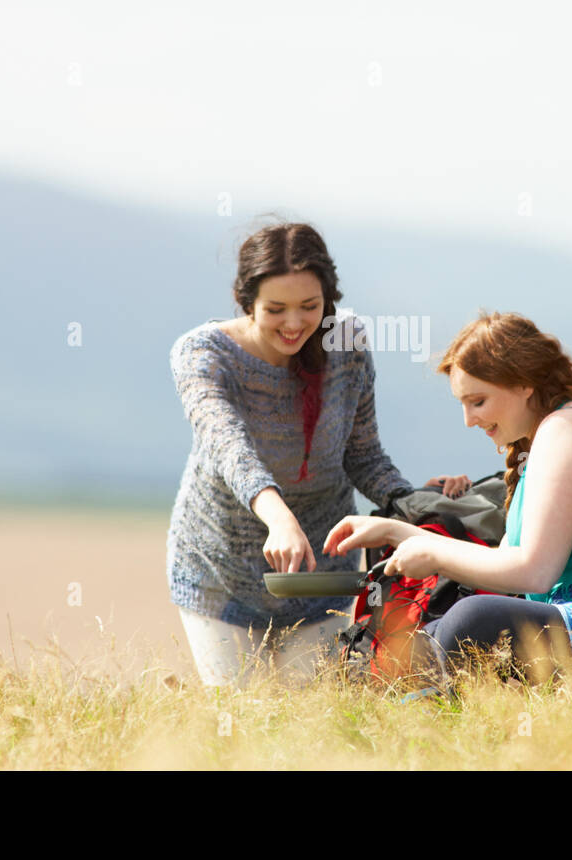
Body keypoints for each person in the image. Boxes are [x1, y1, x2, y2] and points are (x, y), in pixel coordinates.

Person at [323, 311, 572, 686]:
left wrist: (434, 554)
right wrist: (395, 531)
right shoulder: (550, 434)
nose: (468, 420)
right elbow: (504, 565)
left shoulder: (566, 428)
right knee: (435, 633)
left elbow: (533, 572)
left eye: (478, 401)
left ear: (524, 384)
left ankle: (426, 692)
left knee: (471, 621)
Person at [167, 217, 469, 687]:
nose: (294, 323)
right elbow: (229, 448)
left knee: (313, 722)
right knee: (239, 723)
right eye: (276, 309)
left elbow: (363, 454)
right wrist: (279, 518)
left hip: (322, 575)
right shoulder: (202, 354)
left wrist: (415, 502)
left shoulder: (345, 343)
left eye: (309, 306)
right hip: (219, 572)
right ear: (246, 303)